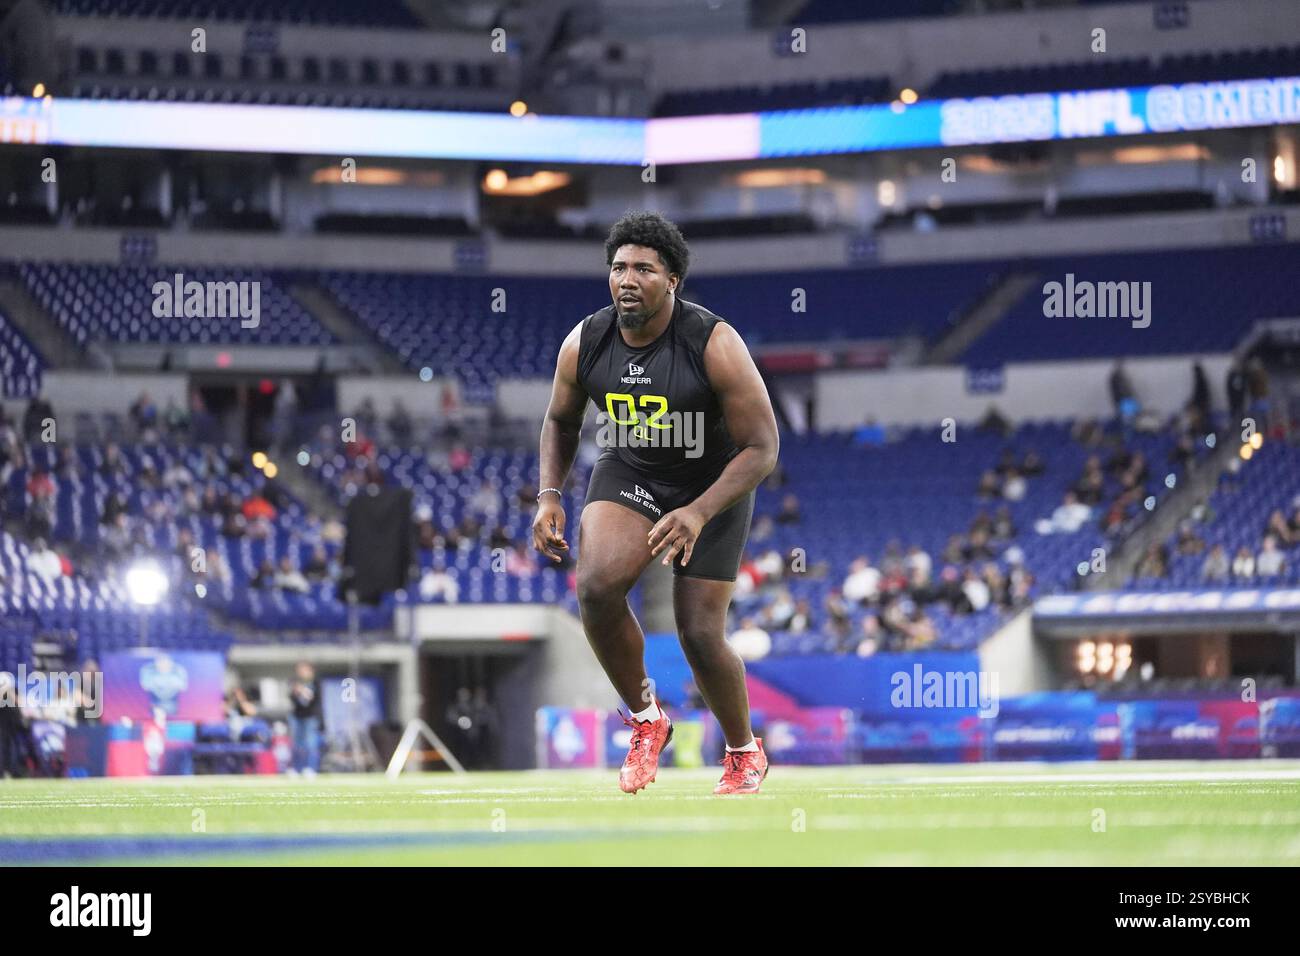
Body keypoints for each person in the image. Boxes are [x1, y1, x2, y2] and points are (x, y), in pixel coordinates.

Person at [532, 211, 779, 796]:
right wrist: (548, 495)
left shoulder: (713, 342)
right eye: (618, 267)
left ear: (672, 280)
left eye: (644, 268)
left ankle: (743, 752)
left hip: (714, 483)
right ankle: (647, 719)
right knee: (594, 586)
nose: (627, 279)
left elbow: (763, 447)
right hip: (633, 466)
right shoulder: (584, 341)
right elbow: (560, 421)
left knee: (698, 633)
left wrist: (697, 511)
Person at [287, 662, 322, 777]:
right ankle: (296, 768)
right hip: (297, 717)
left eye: (302, 669)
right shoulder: (296, 682)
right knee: (297, 744)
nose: (300, 672)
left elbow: (312, 698)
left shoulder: (316, 682)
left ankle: (311, 768)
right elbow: (292, 699)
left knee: (310, 743)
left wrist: (302, 690)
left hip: (310, 717)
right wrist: (295, 693)